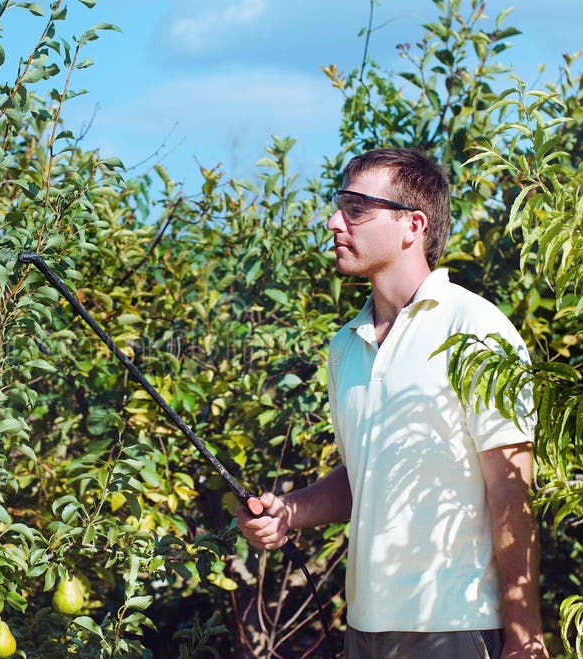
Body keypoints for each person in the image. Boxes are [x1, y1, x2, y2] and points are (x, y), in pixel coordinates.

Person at [237, 148, 548, 659]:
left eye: (356, 208)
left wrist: (525, 636)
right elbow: (365, 478)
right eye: (339, 205)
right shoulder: (344, 346)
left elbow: (510, 491)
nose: (336, 222)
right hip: (365, 627)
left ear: (413, 225)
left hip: (458, 624)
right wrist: (291, 511)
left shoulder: (475, 328)